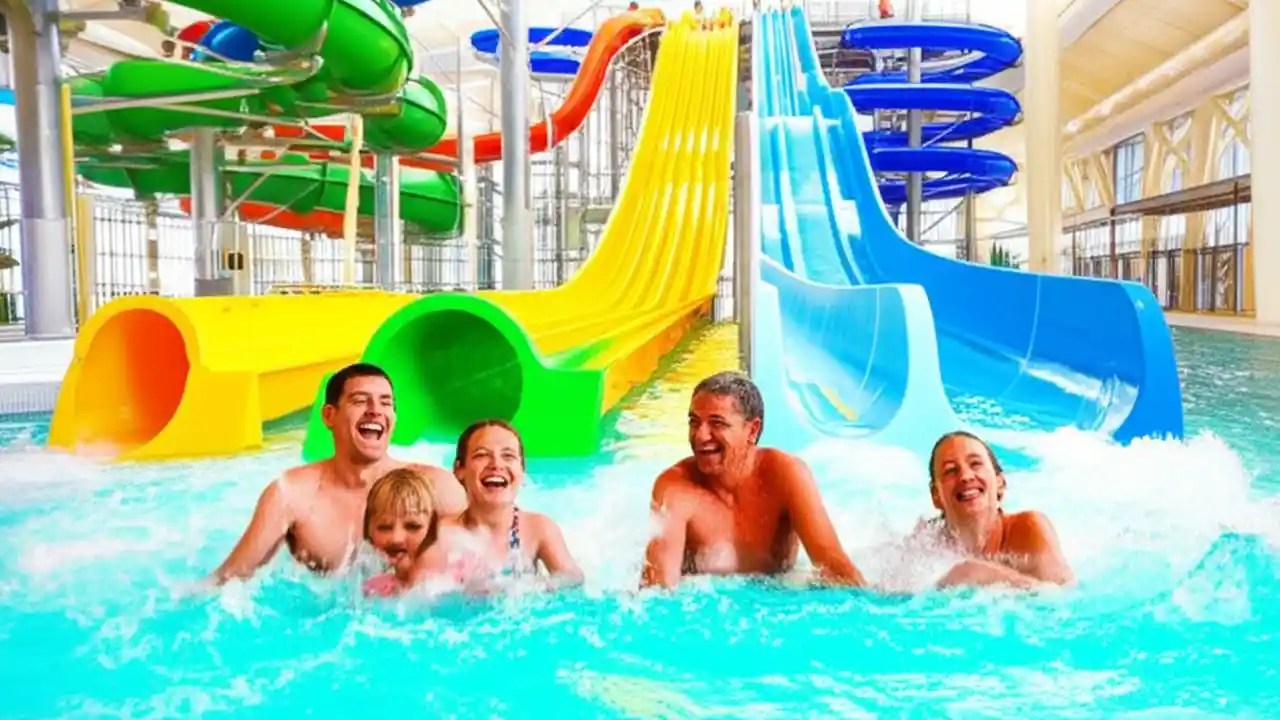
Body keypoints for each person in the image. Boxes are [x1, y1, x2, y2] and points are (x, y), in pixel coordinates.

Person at [208, 363, 467, 584]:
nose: (375, 410)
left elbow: (486, 567)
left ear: (394, 418)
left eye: (385, 403)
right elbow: (229, 579)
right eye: (360, 401)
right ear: (329, 415)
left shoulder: (436, 487)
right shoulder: (291, 495)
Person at [641, 371, 866, 589]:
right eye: (694, 422)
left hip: (775, 601)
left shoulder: (785, 474)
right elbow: (657, 594)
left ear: (752, 430)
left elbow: (835, 569)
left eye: (717, 423)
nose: (700, 435)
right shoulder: (675, 488)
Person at [409, 419, 583, 593]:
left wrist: (533, 587)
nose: (497, 465)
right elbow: (415, 599)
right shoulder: (441, 535)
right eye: (482, 455)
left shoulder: (538, 529)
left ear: (522, 471)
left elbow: (572, 579)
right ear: (459, 470)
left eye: (508, 456)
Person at [918, 431, 1074, 589]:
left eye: (975, 464)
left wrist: (978, 573)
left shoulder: (1029, 530)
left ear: (1000, 483)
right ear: (936, 495)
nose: (965, 476)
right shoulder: (927, 542)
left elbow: (1062, 595)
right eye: (950, 470)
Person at [362, 467, 440, 597]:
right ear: (368, 532)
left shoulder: (453, 582)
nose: (396, 539)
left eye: (412, 526)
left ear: (433, 531)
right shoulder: (370, 591)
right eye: (384, 527)